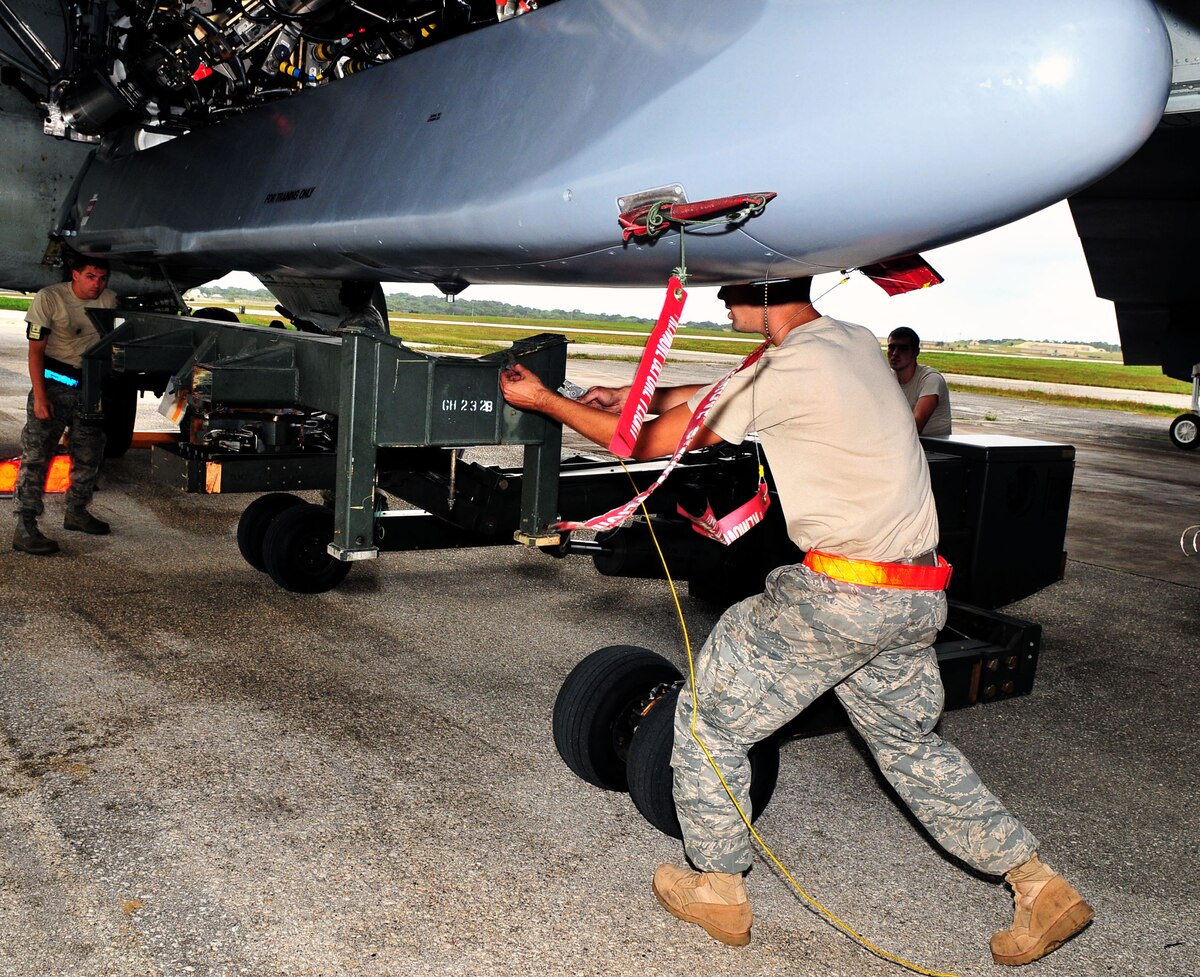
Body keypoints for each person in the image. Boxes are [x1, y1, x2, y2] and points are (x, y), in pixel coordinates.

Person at [499, 277, 1092, 966]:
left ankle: (719, 888)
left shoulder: (783, 369)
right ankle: (1039, 885)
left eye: (730, 294)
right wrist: (617, 397)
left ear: (761, 293)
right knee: (909, 746)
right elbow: (722, 390)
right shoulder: (851, 342)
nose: (724, 306)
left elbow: (650, 442)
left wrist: (549, 403)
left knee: (707, 718)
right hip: (915, 591)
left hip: (842, 595)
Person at [12, 257, 119, 555]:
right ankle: (24, 525)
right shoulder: (50, 298)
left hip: (90, 387)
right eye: (90, 276)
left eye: (102, 277)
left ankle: (77, 512)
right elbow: (35, 351)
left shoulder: (109, 300)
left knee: (89, 452)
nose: (97, 283)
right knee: (37, 455)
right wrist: (41, 396)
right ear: (75, 275)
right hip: (54, 386)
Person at [887, 326, 952, 435]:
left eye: (903, 348)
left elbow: (916, 425)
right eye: (891, 347)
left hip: (934, 448)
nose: (894, 353)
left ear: (916, 352)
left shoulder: (931, 379)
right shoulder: (888, 377)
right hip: (904, 444)